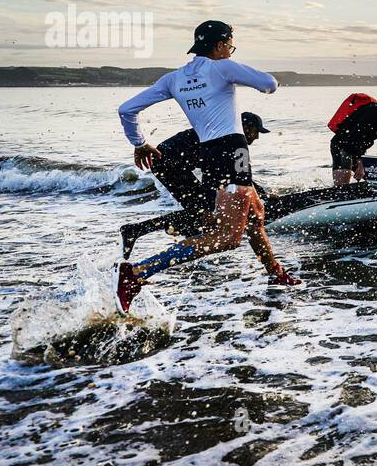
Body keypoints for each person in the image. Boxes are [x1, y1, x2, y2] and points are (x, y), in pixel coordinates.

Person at [114, 20, 299, 314]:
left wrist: (139, 142)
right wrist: (233, 68)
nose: (229, 51)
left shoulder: (173, 79)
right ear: (219, 45)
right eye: (229, 46)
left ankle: (276, 273)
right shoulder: (222, 67)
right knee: (228, 237)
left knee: (254, 216)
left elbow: (126, 110)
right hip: (233, 149)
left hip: (211, 152)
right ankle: (137, 273)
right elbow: (269, 84)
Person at [119, 111, 271, 259]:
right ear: (247, 127)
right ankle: (140, 230)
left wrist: (261, 194)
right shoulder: (228, 140)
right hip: (167, 163)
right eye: (256, 131)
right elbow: (215, 175)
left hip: (168, 163)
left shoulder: (224, 134)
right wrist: (209, 205)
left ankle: (174, 232)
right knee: (203, 211)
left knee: (200, 211)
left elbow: (239, 176)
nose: (256, 137)